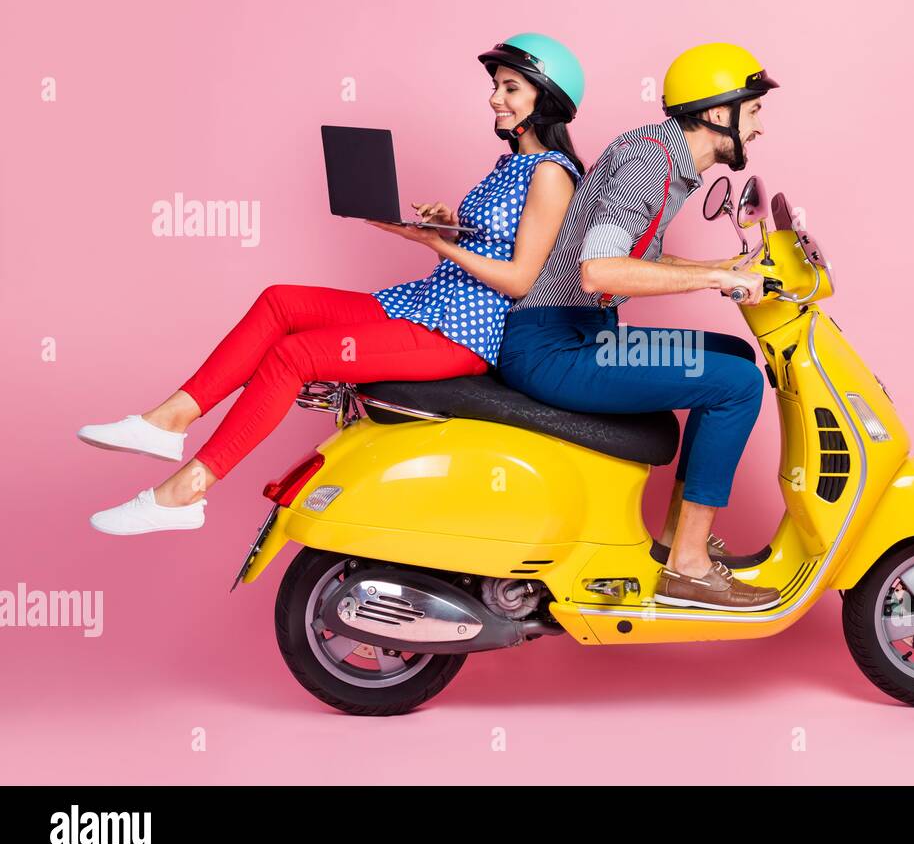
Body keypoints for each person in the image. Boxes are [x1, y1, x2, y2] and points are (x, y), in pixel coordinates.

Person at [80, 33, 585, 535]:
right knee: (280, 302)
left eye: (511, 88)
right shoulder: (512, 164)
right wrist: (448, 223)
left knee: (293, 356)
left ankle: (186, 491)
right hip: (428, 303)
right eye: (497, 85)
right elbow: (497, 238)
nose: (495, 98)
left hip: (462, 333)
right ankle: (169, 420)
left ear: (546, 99)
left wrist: (435, 244)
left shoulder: (551, 174)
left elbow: (521, 278)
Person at [495, 42, 781, 611]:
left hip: (580, 333)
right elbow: (600, 271)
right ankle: (690, 566)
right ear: (717, 111)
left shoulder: (659, 156)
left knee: (735, 355)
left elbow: (632, 253)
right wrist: (709, 281)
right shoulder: (650, 162)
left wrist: (721, 269)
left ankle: (680, 536)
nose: (759, 130)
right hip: (556, 347)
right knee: (739, 385)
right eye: (753, 112)